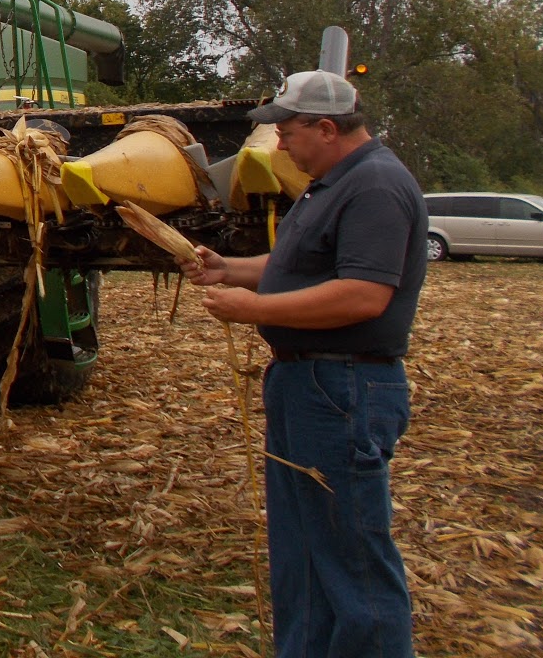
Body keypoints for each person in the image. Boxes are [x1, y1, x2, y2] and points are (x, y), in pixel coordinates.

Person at [177, 69, 426, 658]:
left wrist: (254, 308)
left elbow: (364, 294)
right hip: (305, 382)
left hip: (344, 386)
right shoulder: (330, 183)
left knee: (352, 560)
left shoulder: (376, 187)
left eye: (286, 132)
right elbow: (299, 262)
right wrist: (229, 270)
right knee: (304, 553)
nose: (279, 145)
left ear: (326, 127)